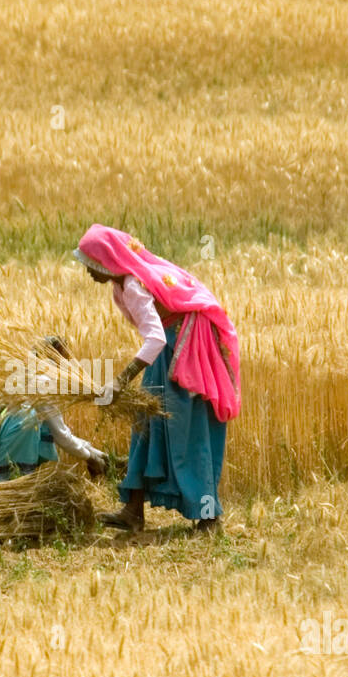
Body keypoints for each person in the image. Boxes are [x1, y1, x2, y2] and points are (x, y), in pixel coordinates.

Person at [73, 225, 241, 533]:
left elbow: (155, 339)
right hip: (169, 344)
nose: (87, 271)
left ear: (104, 262)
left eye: (89, 263)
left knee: (187, 426)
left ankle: (208, 517)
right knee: (146, 421)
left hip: (185, 345)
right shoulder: (120, 286)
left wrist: (120, 381)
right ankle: (133, 511)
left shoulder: (133, 286)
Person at [0, 336, 109, 485]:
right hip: (8, 456)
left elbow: (60, 431)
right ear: (55, 357)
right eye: (65, 357)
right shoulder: (44, 381)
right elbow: (61, 435)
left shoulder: (26, 375)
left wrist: (94, 452)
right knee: (31, 420)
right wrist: (91, 457)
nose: (67, 362)